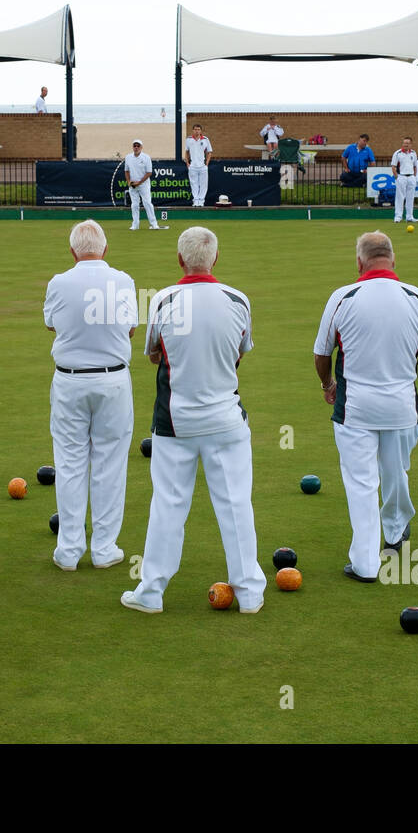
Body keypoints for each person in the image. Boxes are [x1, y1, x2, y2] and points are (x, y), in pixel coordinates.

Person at [122, 226, 268, 615]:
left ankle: (151, 592)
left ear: (179, 259)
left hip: (176, 421)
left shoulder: (164, 300)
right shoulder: (239, 300)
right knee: (236, 504)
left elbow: (154, 353)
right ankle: (250, 594)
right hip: (225, 419)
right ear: (215, 258)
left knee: (168, 505)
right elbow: (240, 352)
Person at [313, 230, 418, 581]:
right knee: (396, 471)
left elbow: (322, 353)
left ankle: (366, 564)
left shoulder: (342, 297)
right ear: (393, 260)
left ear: (359, 262)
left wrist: (327, 385)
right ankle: (396, 532)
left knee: (361, 483)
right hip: (402, 406)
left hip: (355, 408)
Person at [43, 220, 137, 571]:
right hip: (113, 381)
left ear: (72, 252)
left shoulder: (59, 282)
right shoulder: (124, 280)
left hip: (69, 380)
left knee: (69, 463)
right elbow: (129, 327)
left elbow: (50, 323)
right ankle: (104, 548)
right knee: (110, 463)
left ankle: (68, 551)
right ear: (105, 249)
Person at [124, 139, 165, 230]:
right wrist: (129, 181)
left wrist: (139, 182)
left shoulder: (146, 157)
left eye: (138, 146)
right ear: (132, 147)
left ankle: (154, 224)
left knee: (147, 203)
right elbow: (126, 171)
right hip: (133, 185)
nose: (136, 147)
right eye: (134, 146)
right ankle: (135, 225)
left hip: (144, 185)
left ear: (141, 147)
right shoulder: (128, 157)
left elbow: (149, 172)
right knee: (134, 205)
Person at [389, 137, 418, 223]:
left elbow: (415, 166)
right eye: (404, 143)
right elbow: (393, 167)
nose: (405, 145)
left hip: (411, 177)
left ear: (411, 144)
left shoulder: (413, 153)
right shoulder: (397, 153)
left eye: (407, 143)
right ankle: (398, 217)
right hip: (401, 177)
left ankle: (409, 217)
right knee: (400, 197)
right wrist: (397, 177)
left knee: (410, 197)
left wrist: (414, 177)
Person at [183, 123, 213, 207]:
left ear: (201, 131)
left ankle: (201, 201)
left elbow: (209, 152)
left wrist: (206, 163)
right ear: (193, 130)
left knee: (203, 184)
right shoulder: (189, 140)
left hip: (203, 166)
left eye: (198, 129)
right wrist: (187, 163)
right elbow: (186, 151)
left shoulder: (205, 139)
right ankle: (195, 200)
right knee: (194, 184)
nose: (197, 131)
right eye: (195, 129)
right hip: (193, 166)